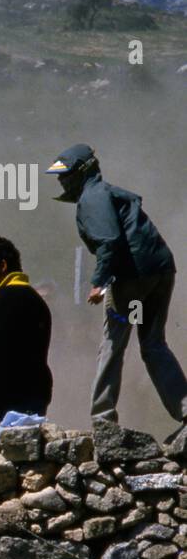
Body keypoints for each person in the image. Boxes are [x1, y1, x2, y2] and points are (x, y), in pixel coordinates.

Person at [47, 143, 187, 431]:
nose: (61, 181)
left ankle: (103, 418)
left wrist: (98, 282)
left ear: (81, 172)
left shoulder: (92, 198)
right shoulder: (107, 192)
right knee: (153, 344)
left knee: (113, 343)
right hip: (160, 272)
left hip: (131, 279)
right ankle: (185, 408)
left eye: (65, 174)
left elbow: (109, 240)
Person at [0, 237, 52, 433]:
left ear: (3, 265)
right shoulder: (36, 300)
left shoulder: (4, 299)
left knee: (0, 457)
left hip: (9, 398)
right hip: (38, 394)